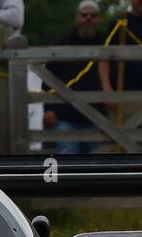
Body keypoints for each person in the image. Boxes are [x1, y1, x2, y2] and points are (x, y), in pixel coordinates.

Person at [44, 1, 104, 154]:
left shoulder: (107, 43)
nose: (88, 18)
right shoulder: (62, 43)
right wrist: (49, 109)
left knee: (97, 165)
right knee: (68, 162)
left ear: (99, 19)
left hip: (98, 118)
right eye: (84, 15)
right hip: (66, 117)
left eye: (93, 15)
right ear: (77, 18)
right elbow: (48, 78)